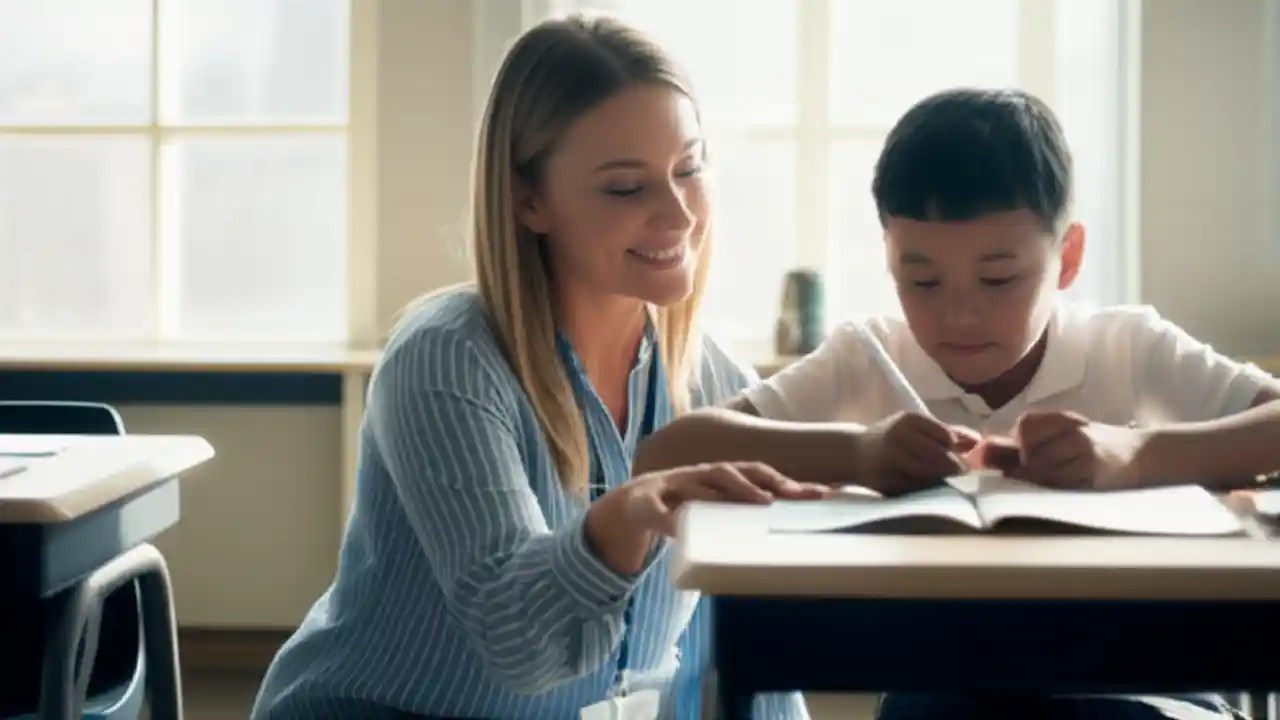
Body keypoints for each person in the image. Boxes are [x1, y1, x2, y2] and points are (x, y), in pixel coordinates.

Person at [250, 14, 832, 720]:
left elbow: (736, 645)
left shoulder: (713, 379)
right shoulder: (445, 360)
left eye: (689, 168)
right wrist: (617, 526)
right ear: (528, 199)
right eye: (627, 188)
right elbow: (523, 647)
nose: (679, 215)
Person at [634, 88, 1280, 719]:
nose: (959, 316)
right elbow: (667, 455)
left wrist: (1137, 454)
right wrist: (856, 453)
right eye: (921, 280)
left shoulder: (1128, 346)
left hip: (1143, 672)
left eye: (999, 279)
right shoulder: (869, 356)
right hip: (940, 677)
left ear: (1068, 256)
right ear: (888, 256)